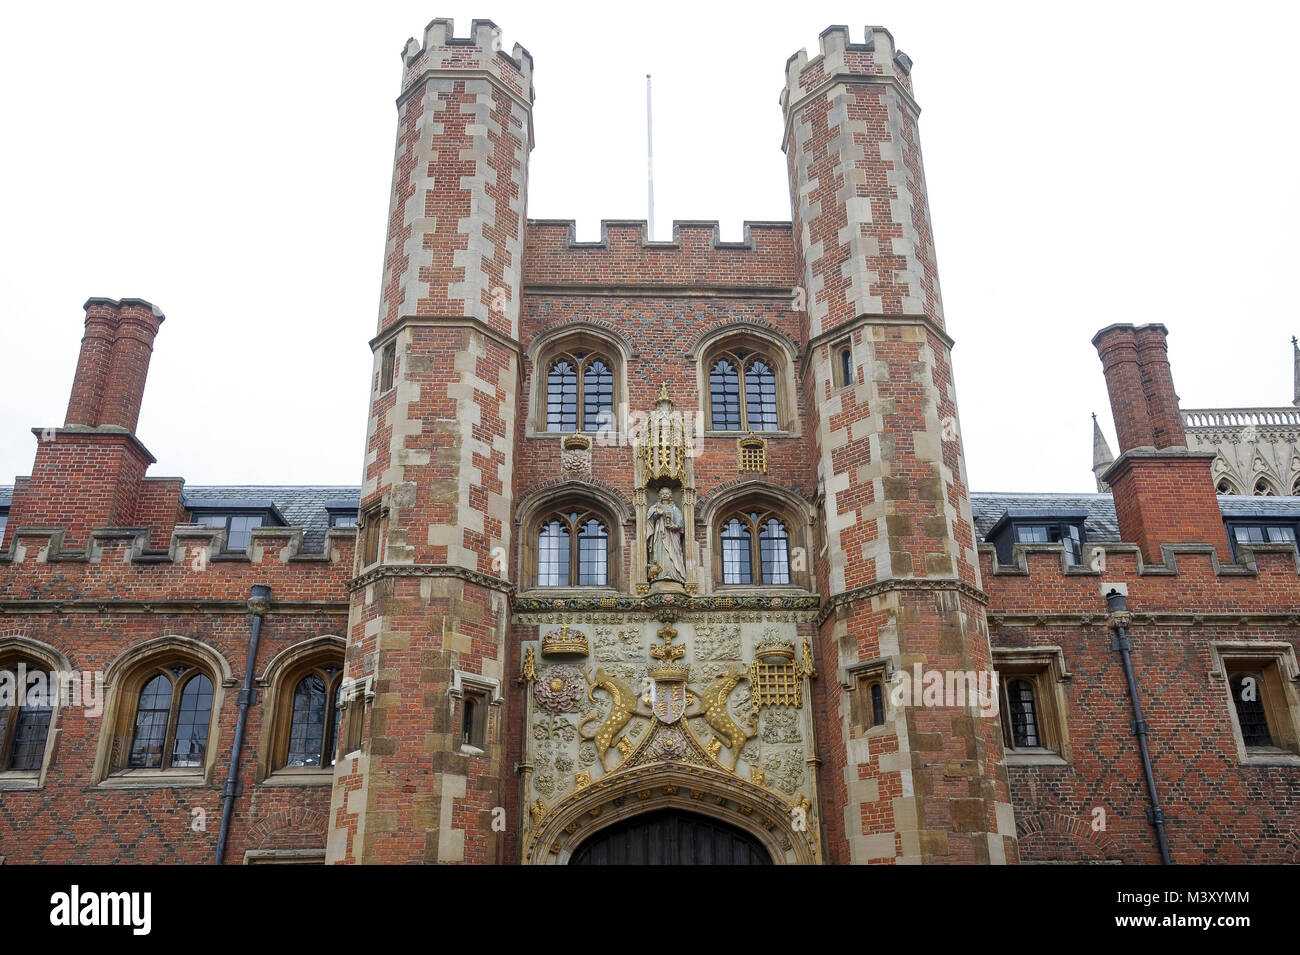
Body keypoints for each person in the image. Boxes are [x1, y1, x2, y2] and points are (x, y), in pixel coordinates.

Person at [646, 487, 686, 583]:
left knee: (673, 552)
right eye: (663, 493)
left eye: (667, 493)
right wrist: (657, 514)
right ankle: (659, 574)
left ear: (670, 496)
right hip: (660, 533)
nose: (665, 495)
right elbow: (650, 521)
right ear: (659, 495)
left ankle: (674, 574)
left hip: (672, 534)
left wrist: (674, 526)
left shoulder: (674, 508)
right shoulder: (656, 507)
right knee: (660, 551)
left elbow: (680, 522)